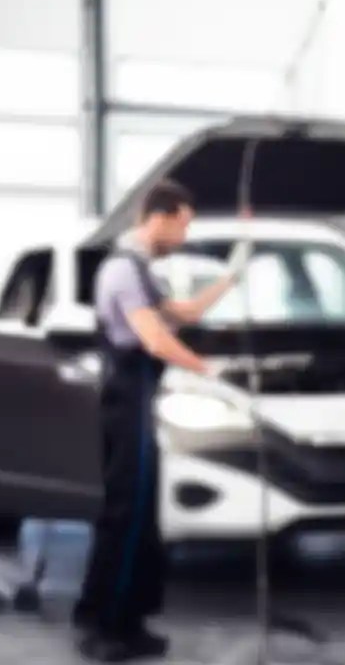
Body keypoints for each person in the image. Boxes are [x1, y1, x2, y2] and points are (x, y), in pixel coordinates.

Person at [72, 179, 251, 661]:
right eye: (183, 225)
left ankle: (127, 621)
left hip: (138, 400)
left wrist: (230, 278)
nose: (185, 236)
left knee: (141, 515)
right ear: (161, 217)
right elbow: (154, 339)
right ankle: (101, 627)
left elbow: (184, 314)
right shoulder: (122, 270)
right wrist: (209, 372)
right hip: (125, 401)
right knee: (125, 515)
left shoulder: (141, 270)